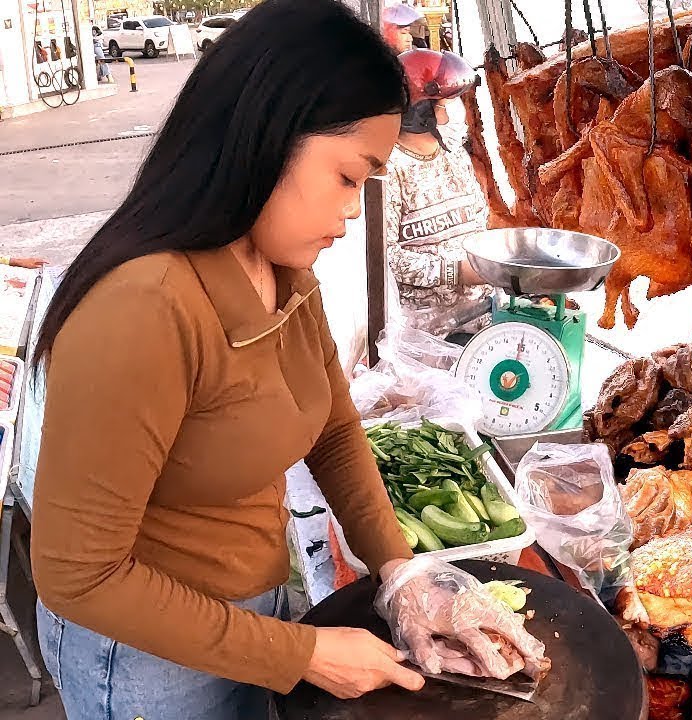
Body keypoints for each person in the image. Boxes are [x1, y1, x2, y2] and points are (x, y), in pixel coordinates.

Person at [29, 1, 426, 718]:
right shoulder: (144, 308)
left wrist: (398, 570)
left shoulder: (284, 272)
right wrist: (300, 654)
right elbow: (76, 573)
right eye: (347, 177)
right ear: (270, 136)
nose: (354, 209)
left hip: (258, 614)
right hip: (150, 662)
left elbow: (334, 429)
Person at [383, 48, 494, 344]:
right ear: (417, 112)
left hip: (484, 317)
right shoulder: (389, 169)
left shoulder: (454, 153)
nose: (456, 111)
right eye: (447, 103)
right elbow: (387, 258)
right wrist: (455, 272)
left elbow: (479, 222)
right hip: (430, 334)